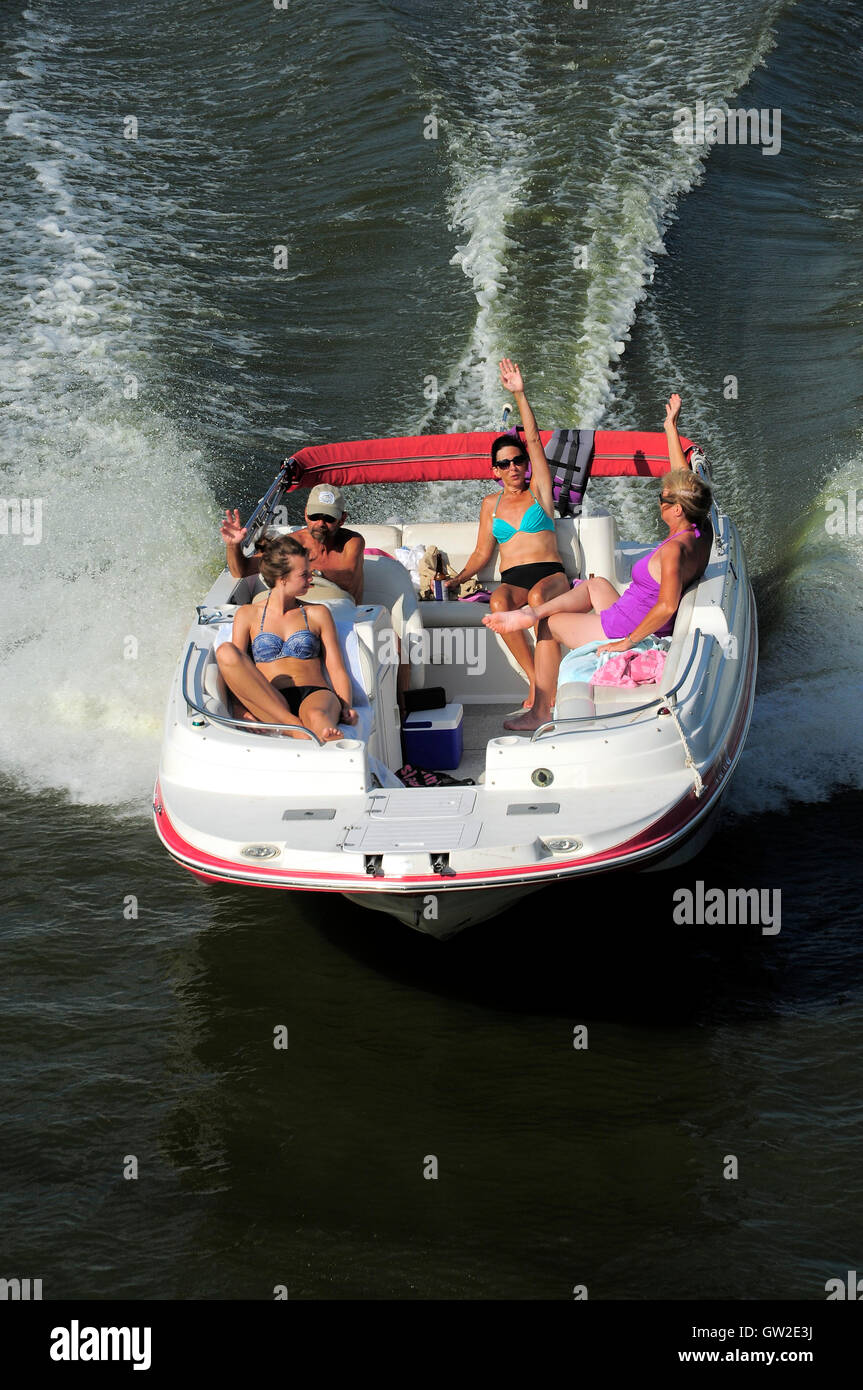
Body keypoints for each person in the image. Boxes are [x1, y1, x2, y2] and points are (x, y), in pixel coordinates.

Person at [483, 393, 713, 731]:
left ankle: (541, 711)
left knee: (549, 625)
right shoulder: (700, 527)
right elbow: (683, 479)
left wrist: (628, 641)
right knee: (595, 584)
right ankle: (530, 612)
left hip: (624, 624)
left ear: (677, 509)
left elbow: (666, 607)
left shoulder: (674, 550)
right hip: (630, 609)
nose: (659, 503)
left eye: (662, 500)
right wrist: (669, 428)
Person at [446, 358, 570, 708]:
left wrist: (520, 394)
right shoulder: (491, 504)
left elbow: (533, 439)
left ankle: (550, 684)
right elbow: (482, 554)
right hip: (513, 580)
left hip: (550, 575)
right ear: (494, 471)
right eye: (504, 464)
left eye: (518, 461)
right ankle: (535, 681)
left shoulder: (539, 490)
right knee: (498, 602)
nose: (513, 467)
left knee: (536, 600)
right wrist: (457, 580)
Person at [215, 533, 357, 741]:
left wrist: (346, 706)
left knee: (316, 716)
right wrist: (239, 709)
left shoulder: (317, 613)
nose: (312, 579)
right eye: (304, 575)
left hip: (315, 694)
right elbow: (237, 672)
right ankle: (297, 728)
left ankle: (315, 732)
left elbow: (336, 668)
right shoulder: (247, 614)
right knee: (226, 652)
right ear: (282, 579)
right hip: (271, 699)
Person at [221, 484, 364, 603]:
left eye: (329, 518)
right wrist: (233, 545)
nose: (320, 523)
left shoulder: (352, 543)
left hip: (343, 611)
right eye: (315, 516)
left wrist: (297, 568)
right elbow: (241, 571)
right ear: (306, 514)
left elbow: (345, 577)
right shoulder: (290, 544)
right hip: (299, 611)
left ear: (342, 519)